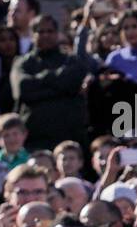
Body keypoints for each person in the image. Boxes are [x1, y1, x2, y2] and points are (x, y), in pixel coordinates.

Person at [10, 15, 90, 152]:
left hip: (68, 137)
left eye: (50, 31)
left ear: (57, 34)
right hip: (34, 139)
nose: (46, 35)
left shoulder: (71, 60)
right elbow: (22, 90)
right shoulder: (22, 63)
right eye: (40, 31)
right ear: (32, 34)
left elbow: (74, 81)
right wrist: (58, 82)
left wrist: (38, 84)